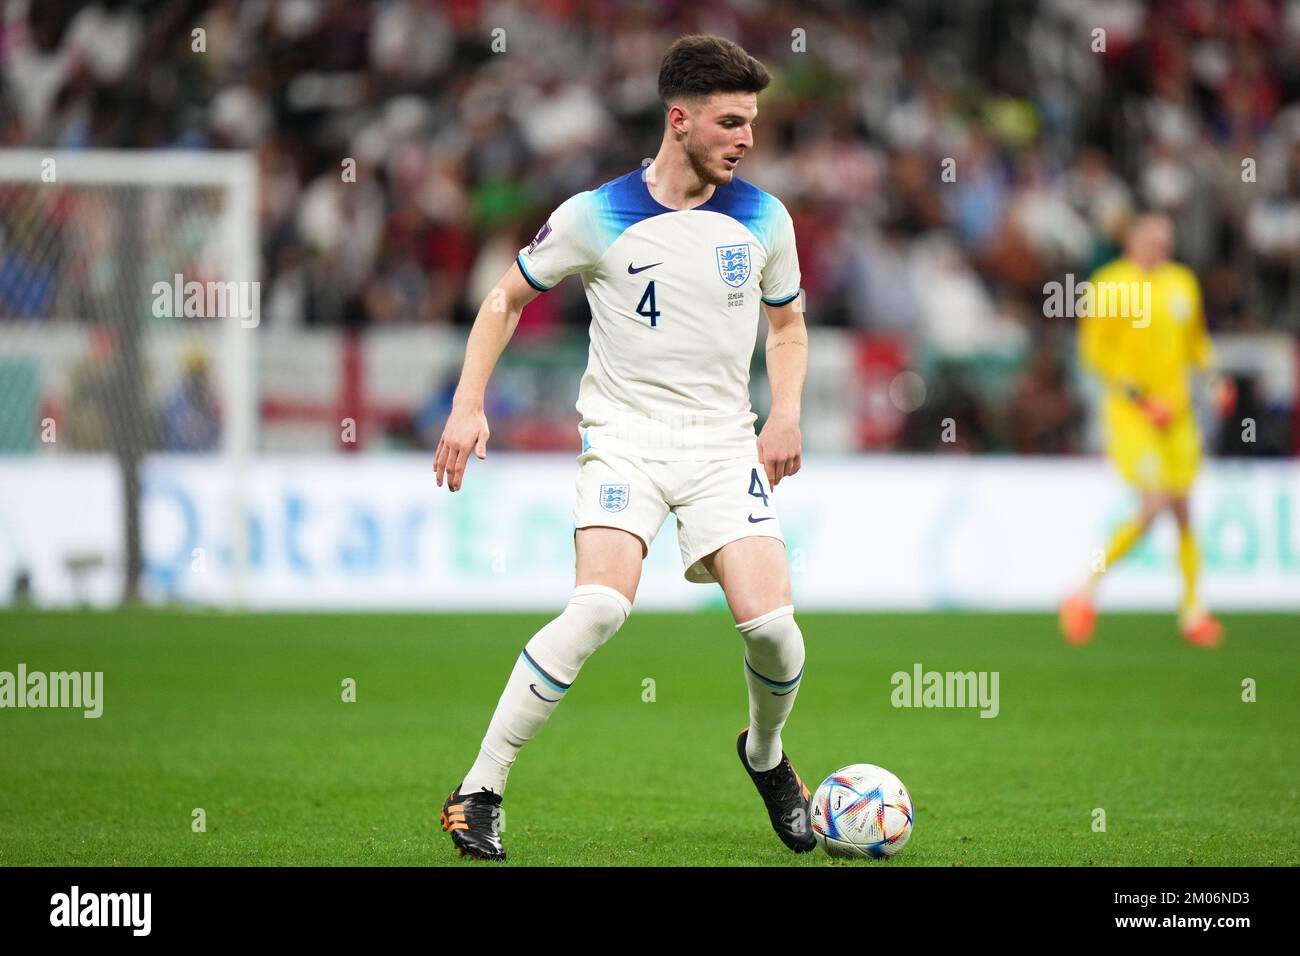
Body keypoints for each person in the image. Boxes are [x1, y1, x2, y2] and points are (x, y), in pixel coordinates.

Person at [433, 35, 813, 860]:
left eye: (751, 123)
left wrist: (785, 411)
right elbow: (502, 301)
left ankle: (765, 755)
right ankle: (479, 790)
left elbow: (786, 324)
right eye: (730, 122)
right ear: (679, 120)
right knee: (601, 604)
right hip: (625, 442)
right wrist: (469, 405)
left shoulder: (764, 218)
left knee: (777, 633)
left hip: (723, 445)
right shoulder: (593, 215)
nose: (747, 138)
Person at [1060, 213, 1235, 648]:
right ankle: (1084, 593)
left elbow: (1196, 342)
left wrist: (1213, 379)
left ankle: (1194, 611)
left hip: (1177, 414)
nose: (1163, 248)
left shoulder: (1182, 283)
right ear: (1132, 241)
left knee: (1182, 508)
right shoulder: (1108, 286)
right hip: (1132, 415)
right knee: (1155, 501)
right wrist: (1139, 397)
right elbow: (1094, 354)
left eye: (1168, 241)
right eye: (1155, 240)